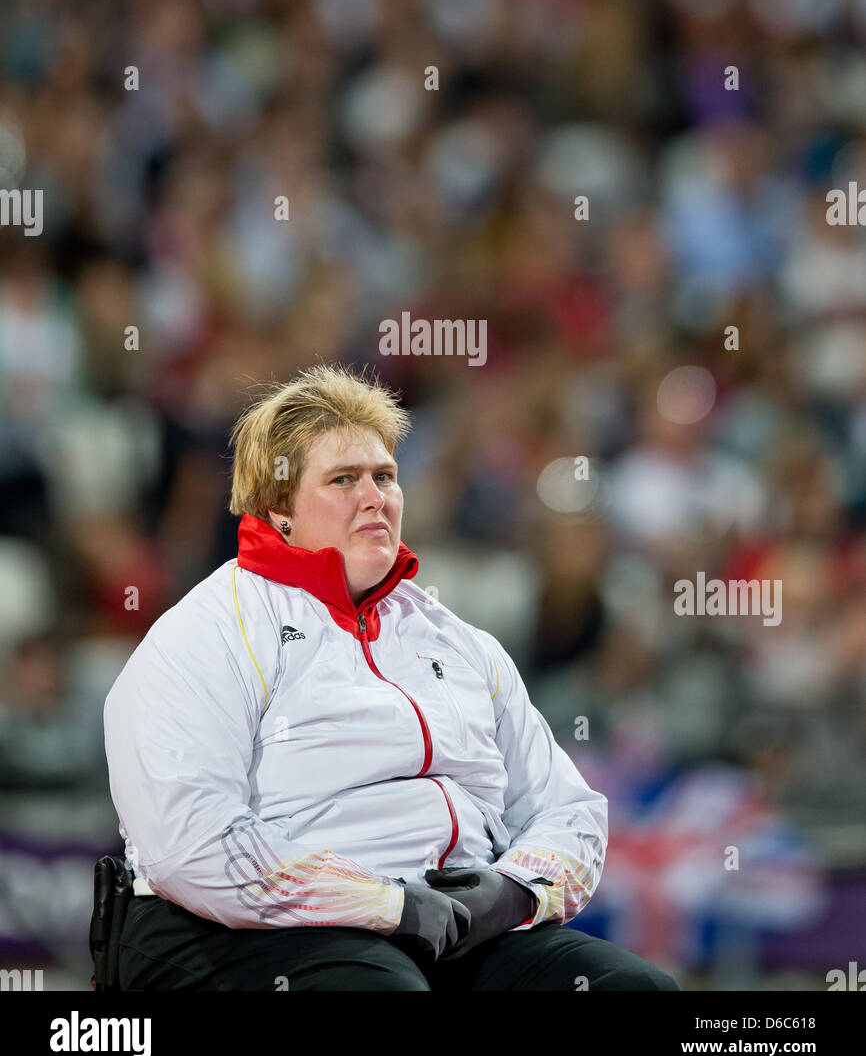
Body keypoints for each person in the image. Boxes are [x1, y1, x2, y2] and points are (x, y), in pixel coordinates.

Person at [104, 364, 679, 991]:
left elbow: (567, 809)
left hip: (454, 930)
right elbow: (191, 847)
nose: (374, 496)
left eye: (385, 476)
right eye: (343, 480)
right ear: (278, 508)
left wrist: (514, 892)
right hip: (254, 933)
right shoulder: (207, 633)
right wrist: (386, 904)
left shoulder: (460, 643)